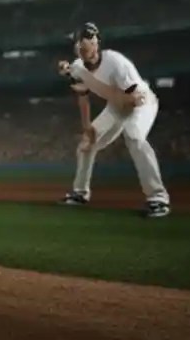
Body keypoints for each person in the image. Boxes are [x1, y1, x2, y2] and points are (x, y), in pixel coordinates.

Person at [56, 22, 171, 218]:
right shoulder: (78, 67)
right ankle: (80, 193)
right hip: (117, 106)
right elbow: (82, 95)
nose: (80, 45)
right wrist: (87, 126)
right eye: (76, 42)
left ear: (96, 42)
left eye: (84, 40)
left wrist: (101, 88)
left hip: (141, 102)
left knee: (134, 137)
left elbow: (133, 99)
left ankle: (158, 198)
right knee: (86, 144)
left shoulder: (116, 62)